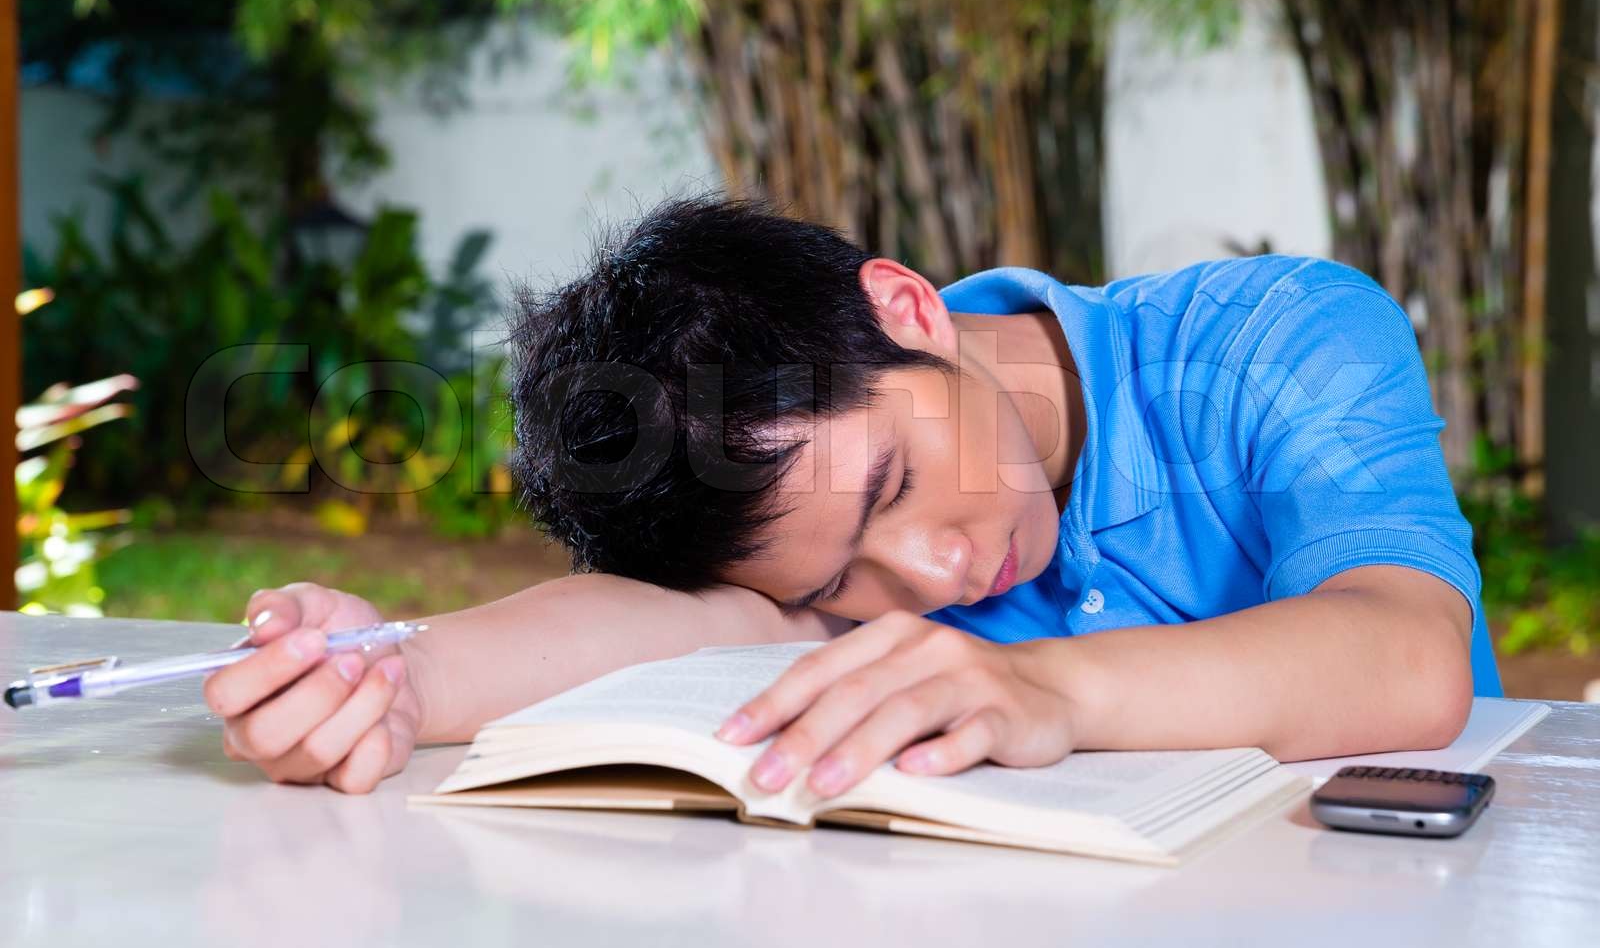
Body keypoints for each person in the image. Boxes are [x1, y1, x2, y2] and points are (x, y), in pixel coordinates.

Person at [205, 197, 1495, 795]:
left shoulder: (1278, 337)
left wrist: (1045, 689)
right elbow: (678, 625)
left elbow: (1406, 651)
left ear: (905, 308)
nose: (932, 578)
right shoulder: (814, 555)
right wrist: (394, 677)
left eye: (896, 483)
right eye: (839, 582)